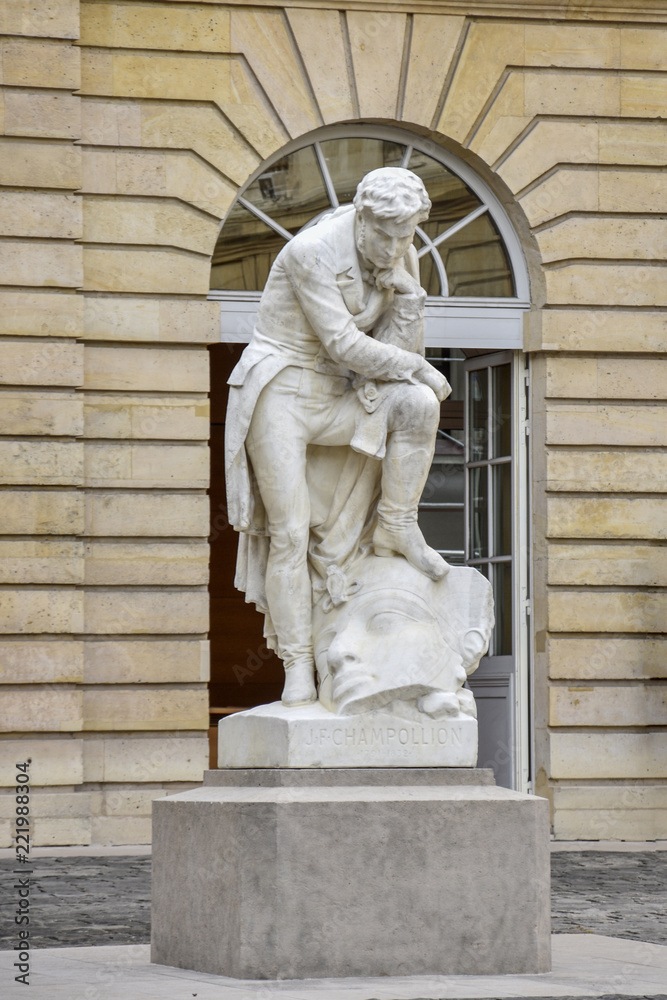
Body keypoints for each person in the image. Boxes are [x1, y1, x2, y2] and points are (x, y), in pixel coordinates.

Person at [225, 167, 451, 707]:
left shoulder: (400, 252)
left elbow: (396, 349)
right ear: (361, 220)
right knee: (289, 533)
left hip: (343, 393)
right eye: (386, 236)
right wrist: (421, 368)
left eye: (408, 236)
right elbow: (343, 343)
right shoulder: (313, 251)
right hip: (282, 387)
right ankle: (298, 663)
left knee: (417, 407)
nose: (397, 248)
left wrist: (410, 303)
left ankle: (396, 525)